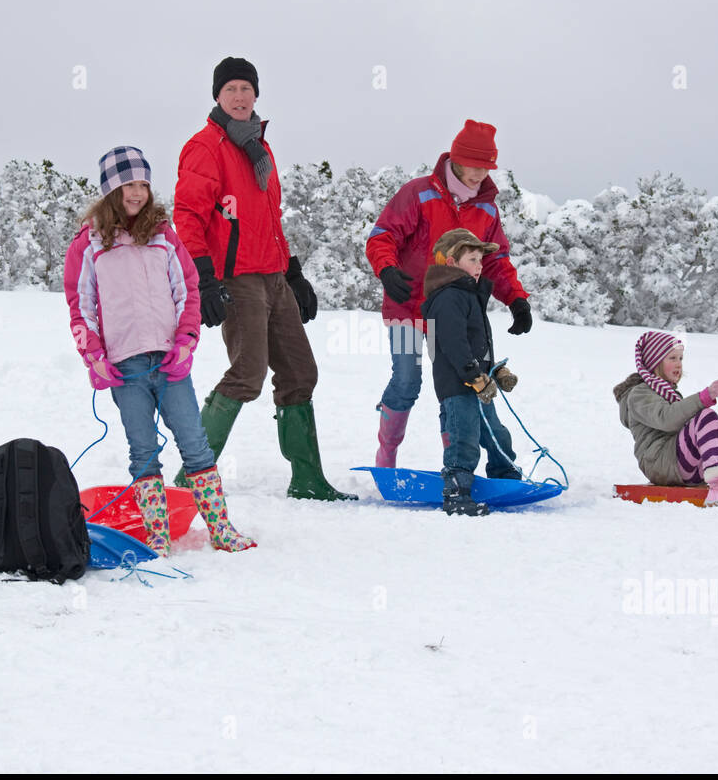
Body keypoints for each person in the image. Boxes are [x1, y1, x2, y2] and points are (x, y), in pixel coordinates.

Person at [172, 56, 355, 501]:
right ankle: (191, 478)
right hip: (236, 279)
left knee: (299, 372)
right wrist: (204, 277)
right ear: (217, 96)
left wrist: (293, 274)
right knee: (247, 374)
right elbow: (188, 215)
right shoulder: (205, 147)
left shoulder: (260, 147)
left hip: (273, 276)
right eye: (230, 89)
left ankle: (307, 479)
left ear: (256, 95)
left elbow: (269, 218)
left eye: (246, 89)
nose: (239, 97)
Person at [64, 147, 256, 555]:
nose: (137, 193)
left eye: (143, 185)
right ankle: (157, 535)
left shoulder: (164, 236)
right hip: (124, 365)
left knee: (195, 442)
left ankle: (221, 528)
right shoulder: (90, 243)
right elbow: (81, 307)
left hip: (170, 362)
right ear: (111, 189)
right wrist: (95, 357)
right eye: (128, 184)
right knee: (143, 451)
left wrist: (186, 342)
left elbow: (186, 292)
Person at [365, 119, 530, 468]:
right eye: (473, 165)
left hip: (453, 312)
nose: (479, 173)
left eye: (486, 167)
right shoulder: (419, 193)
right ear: (455, 158)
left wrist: (516, 299)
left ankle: (455, 464)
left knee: (457, 385)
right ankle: (387, 454)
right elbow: (383, 236)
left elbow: (497, 258)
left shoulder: (486, 208)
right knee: (407, 379)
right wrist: (388, 269)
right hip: (408, 305)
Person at [612, 331, 718, 506]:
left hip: (687, 462)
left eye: (681, 359)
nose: (679, 364)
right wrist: (703, 398)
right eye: (672, 358)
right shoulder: (639, 394)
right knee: (705, 416)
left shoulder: (669, 392)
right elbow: (667, 419)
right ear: (655, 362)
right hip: (663, 465)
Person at [421, 229, 523, 516]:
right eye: (473, 259)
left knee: (497, 435)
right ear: (452, 263)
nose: (480, 265)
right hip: (457, 385)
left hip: (480, 383)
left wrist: (495, 371)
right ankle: (456, 491)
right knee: (463, 438)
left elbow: (478, 345)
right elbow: (454, 344)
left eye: (481, 259)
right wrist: (473, 375)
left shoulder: (469, 295)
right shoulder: (448, 298)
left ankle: (505, 480)